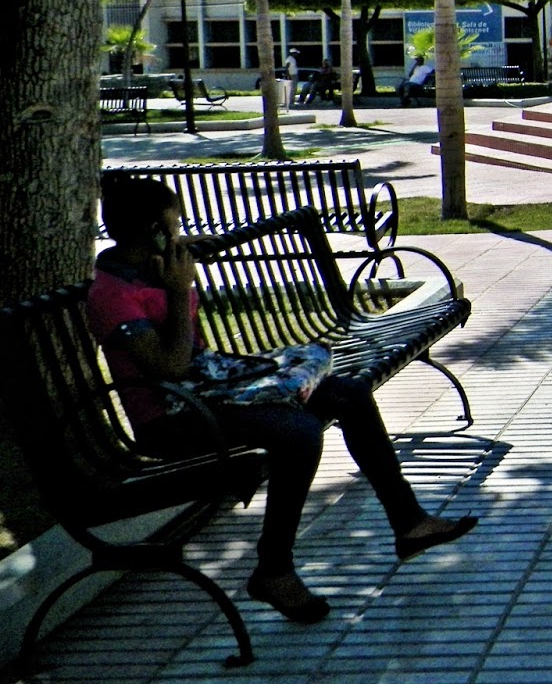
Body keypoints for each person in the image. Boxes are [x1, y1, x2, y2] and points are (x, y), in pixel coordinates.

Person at [89, 176, 475, 624]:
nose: (180, 234)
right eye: (174, 226)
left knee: (346, 392)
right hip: (172, 417)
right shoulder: (114, 294)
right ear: (154, 230)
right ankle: (274, 569)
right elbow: (171, 369)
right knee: (298, 434)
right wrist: (178, 291)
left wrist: (186, 258)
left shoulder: (147, 263)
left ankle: (410, 521)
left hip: (208, 394)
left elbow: (184, 341)